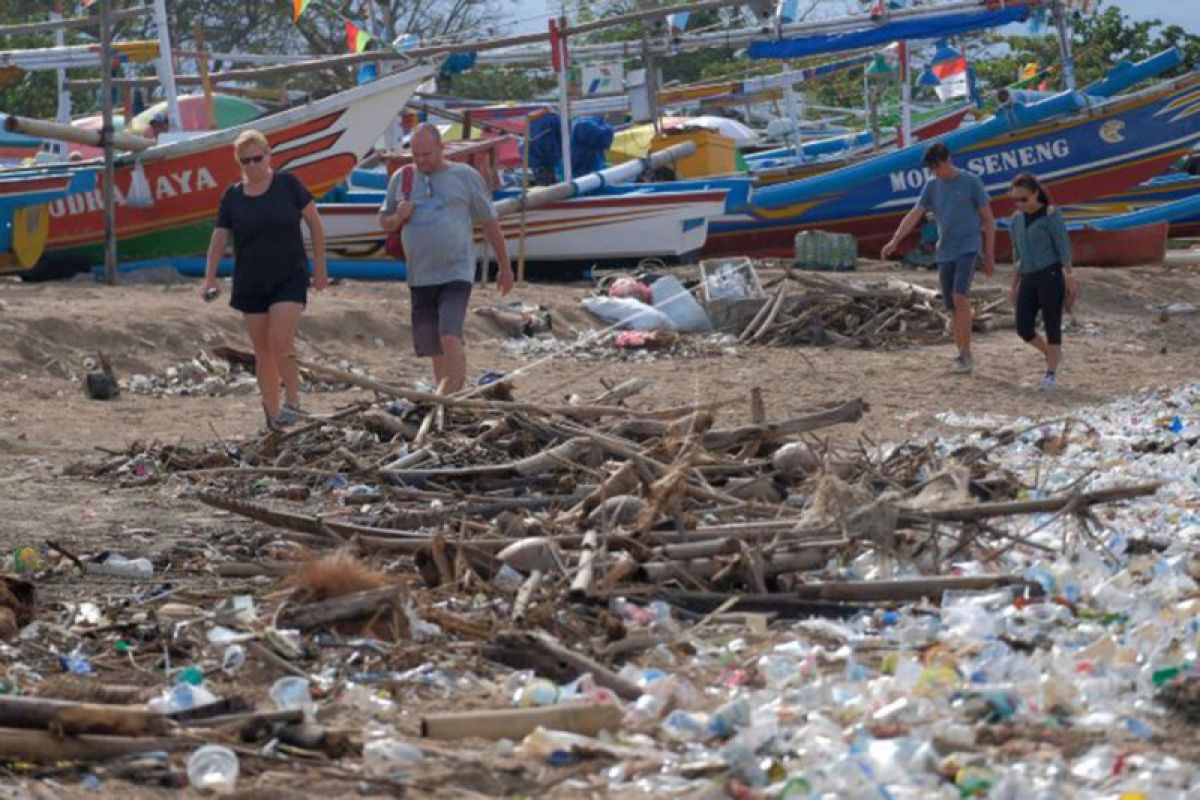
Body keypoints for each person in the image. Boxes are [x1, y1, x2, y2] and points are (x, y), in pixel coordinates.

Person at [202, 129, 328, 429]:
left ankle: (294, 401)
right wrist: (210, 277)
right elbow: (219, 238)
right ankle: (273, 417)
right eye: (246, 161)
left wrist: (320, 266)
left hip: (289, 276)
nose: (253, 165)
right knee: (262, 351)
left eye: (258, 158)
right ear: (239, 164)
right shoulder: (233, 196)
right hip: (251, 280)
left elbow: (314, 222)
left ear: (269, 156)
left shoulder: (288, 184)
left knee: (280, 340)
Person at [379, 123, 512, 393]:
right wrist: (398, 217)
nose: (421, 161)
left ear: (441, 148)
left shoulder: (465, 176)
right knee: (433, 347)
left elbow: (489, 222)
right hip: (420, 274)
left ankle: (457, 395)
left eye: (426, 154)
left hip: (456, 271)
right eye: (416, 155)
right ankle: (444, 397)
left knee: (449, 335)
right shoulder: (403, 178)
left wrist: (505, 266)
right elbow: (385, 221)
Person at [881, 143, 996, 373]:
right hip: (945, 250)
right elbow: (915, 214)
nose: (936, 172)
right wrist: (895, 240)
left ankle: (965, 354)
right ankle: (962, 354)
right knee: (952, 305)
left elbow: (988, 220)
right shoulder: (932, 186)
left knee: (959, 296)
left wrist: (990, 255)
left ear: (947, 161)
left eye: (937, 167)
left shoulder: (971, 182)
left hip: (968, 246)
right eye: (932, 169)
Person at [1007, 172, 1079, 391]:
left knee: (1052, 324)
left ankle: (1050, 373)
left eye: (1024, 199)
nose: (1020, 204)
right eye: (1016, 199)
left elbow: (1063, 246)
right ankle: (1051, 354)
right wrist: (1013, 285)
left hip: (1050, 275)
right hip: (1028, 276)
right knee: (1023, 327)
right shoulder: (1016, 220)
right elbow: (1017, 254)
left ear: (1035, 194)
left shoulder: (1050, 215)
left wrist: (1070, 276)